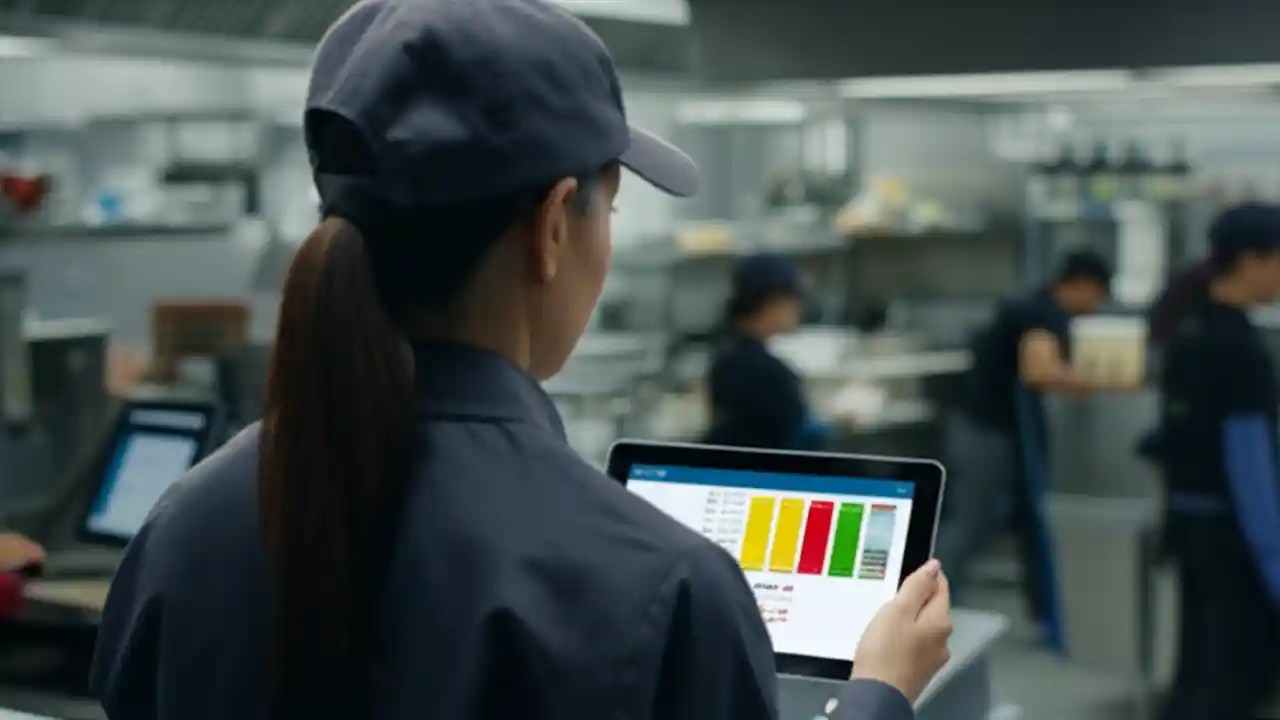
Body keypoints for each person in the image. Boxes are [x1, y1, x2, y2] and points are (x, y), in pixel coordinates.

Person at [89, 2, 952, 719]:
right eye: (608, 211)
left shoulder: (183, 528)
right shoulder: (662, 586)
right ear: (551, 227)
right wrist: (879, 692)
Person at [936, 250, 1112, 649]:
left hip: (990, 432)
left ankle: (1040, 614)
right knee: (969, 523)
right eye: (1097, 294)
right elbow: (1040, 370)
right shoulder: (1037, 314)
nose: (1096, 306)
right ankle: (930, 614)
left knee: (1022, 526)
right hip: (986, 434)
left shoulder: (1032, 307)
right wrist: (1088, 381)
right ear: (1082, 284)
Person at [1159, 203, 1280, 720]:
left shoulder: (1188, 329)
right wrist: (1275, 563)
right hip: (1233, 534)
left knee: (1198, 664)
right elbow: (1249, 463)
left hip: (1189, 525)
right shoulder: (1238, 347)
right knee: (1235, 675)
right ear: (1252, 260)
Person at [704, 254, 829, 450]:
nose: (799, 309)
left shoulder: (727, 356)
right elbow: (801, 437)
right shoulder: (765, 372)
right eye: (794, 300)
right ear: (772, 303)